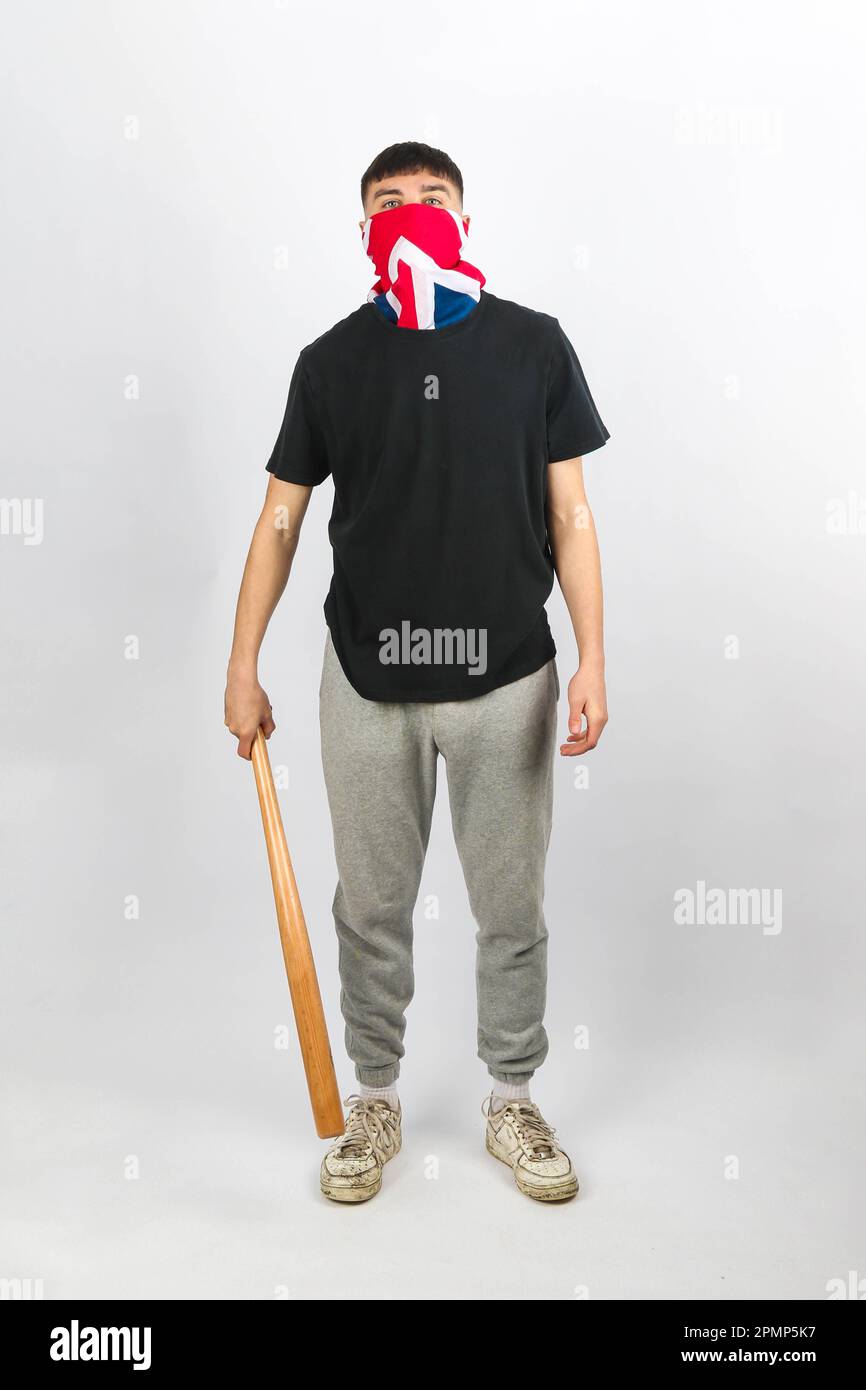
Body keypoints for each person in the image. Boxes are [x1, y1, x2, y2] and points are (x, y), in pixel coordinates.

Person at [225, 142, 610, 1204]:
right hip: (366, 678)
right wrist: (240, 662)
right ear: (361, 232)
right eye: (385, 202)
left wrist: (591, 657)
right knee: (372, 904)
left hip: (507, 681)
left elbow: (570, 516)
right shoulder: (332, 362)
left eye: (430, 198)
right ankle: (375, 1098)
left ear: (464, 219)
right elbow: (279, 519)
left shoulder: (533, 347)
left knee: (509, 906)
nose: (409, 212)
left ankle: (512, 1096)